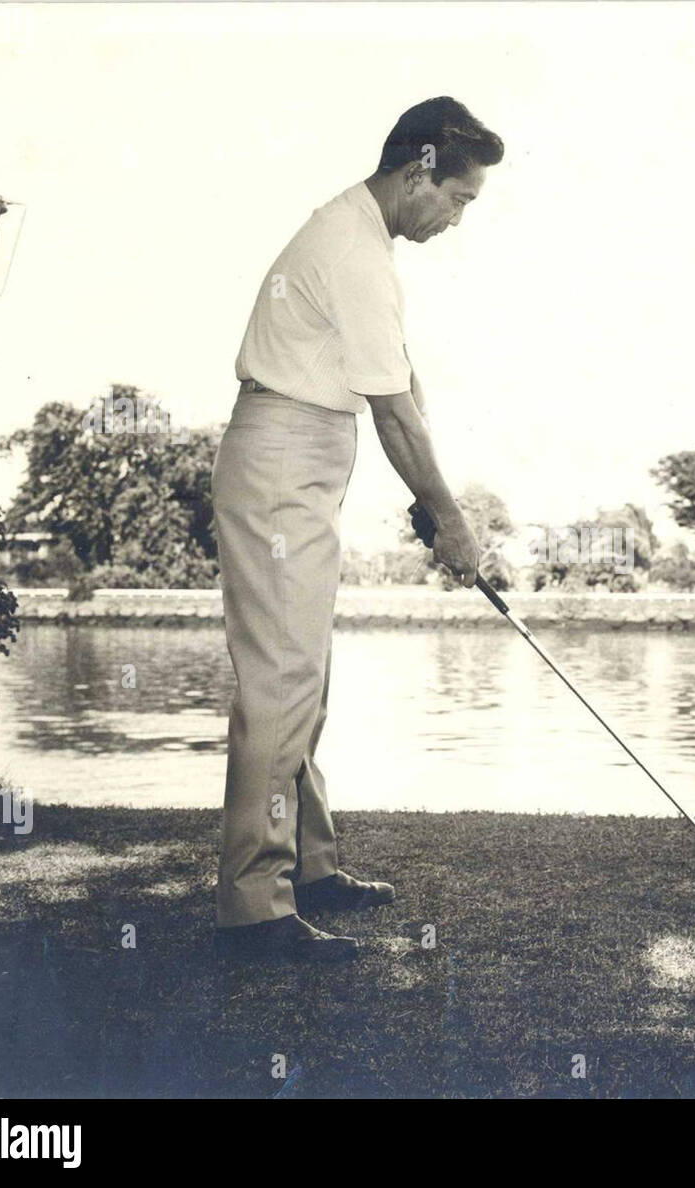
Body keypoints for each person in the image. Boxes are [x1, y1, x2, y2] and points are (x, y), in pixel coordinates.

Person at [211, 97, 502, 962]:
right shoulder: (354, 250)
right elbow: (396, 417)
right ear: (419, 169)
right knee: (282, 683)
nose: (455, 218)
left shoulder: (361, 240)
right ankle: (256, 909)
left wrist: (425, 500)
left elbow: (401, 389)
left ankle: (311, 864)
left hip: (304, 452)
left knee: (305, 676)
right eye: (458, 198)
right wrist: (451, 520)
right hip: (282, 458)